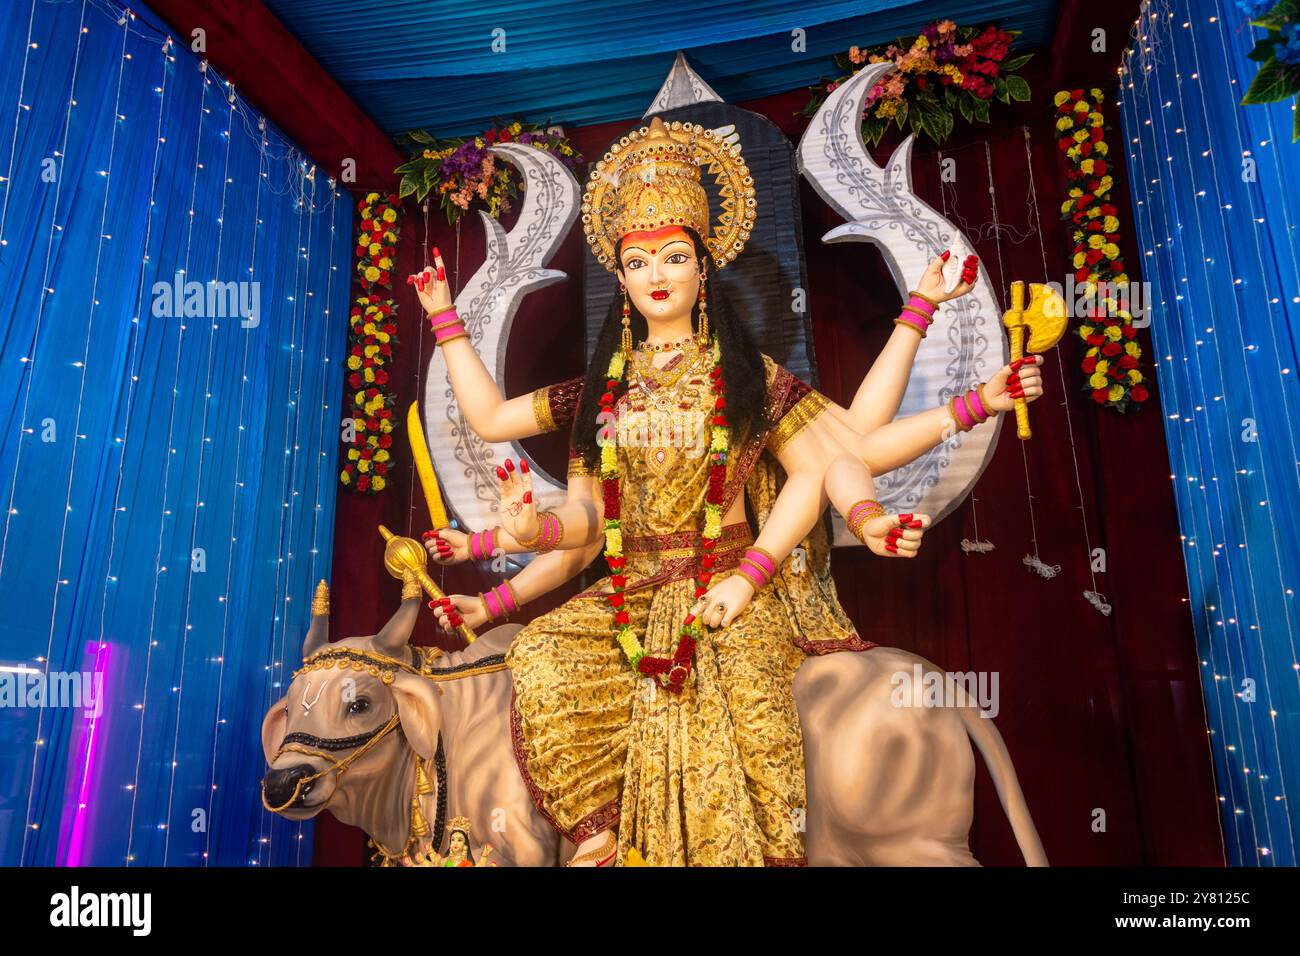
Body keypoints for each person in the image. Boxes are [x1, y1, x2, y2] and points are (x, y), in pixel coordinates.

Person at [411, 116, 1043, 865]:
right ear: (620, 275)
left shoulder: (747, 379)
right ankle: (599, 834)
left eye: (675, 257)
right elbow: (507, 440)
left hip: (731, 584)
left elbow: (850, 447)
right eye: (639, 260)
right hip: (632, 591)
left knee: (747, 722)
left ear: (702, 268)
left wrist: (959, 407)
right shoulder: (597, 394)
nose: (657, 275)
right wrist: (449, 328)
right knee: (540, 654)